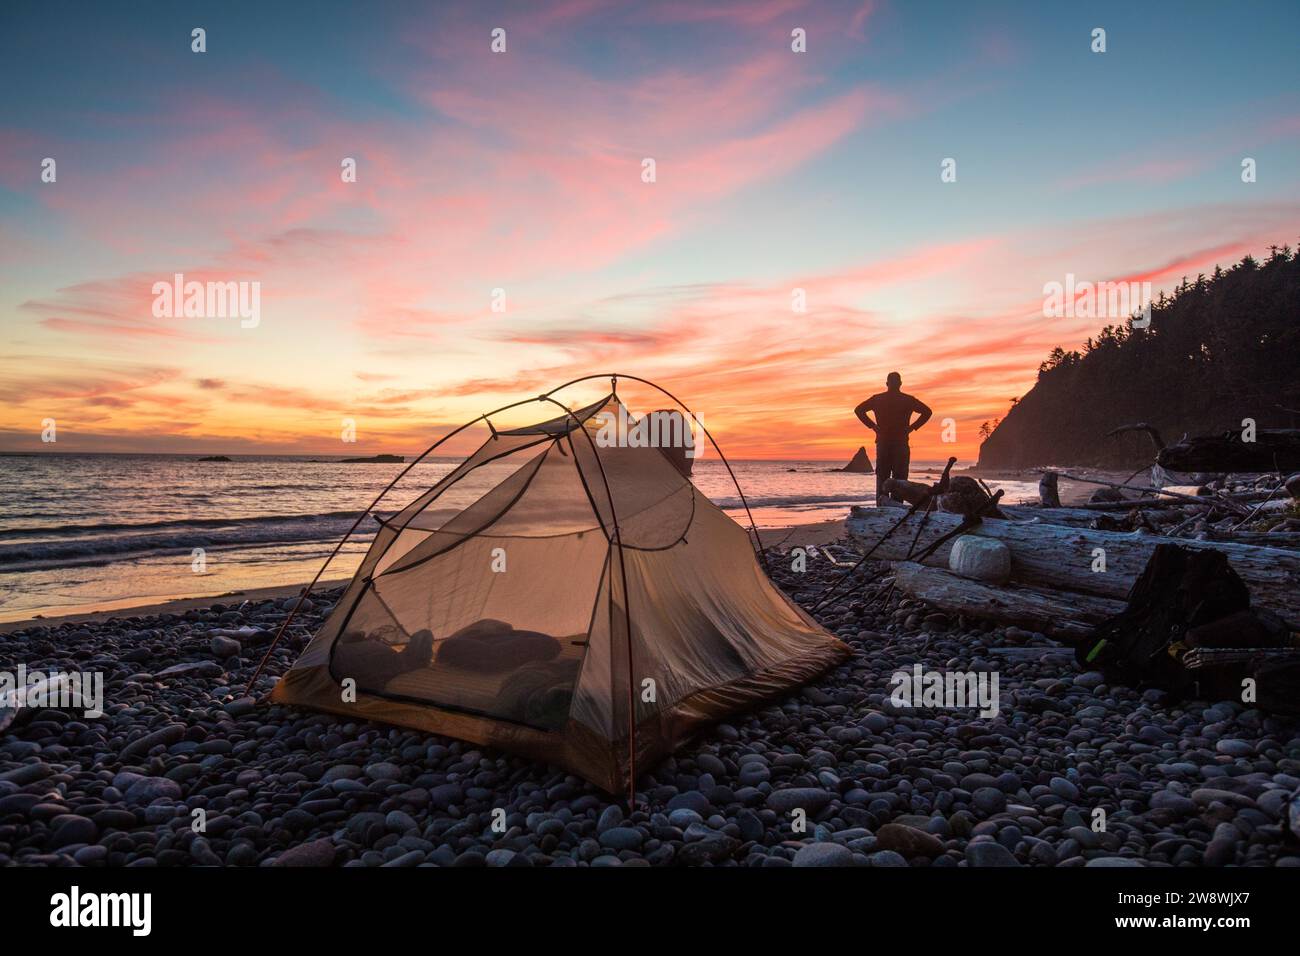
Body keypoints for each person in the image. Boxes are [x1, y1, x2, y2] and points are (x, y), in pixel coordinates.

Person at [854, 372, 932, 503]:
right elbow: (927, 412)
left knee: (883, 477)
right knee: (899, 480)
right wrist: (912, 427)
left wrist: (873, 426)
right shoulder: (907, 400)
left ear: (887, 384)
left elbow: (859, 410)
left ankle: (881, 508)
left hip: (886, 442)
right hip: (898, 443)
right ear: (900, 384)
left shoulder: (878, 399)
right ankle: (896, 509)